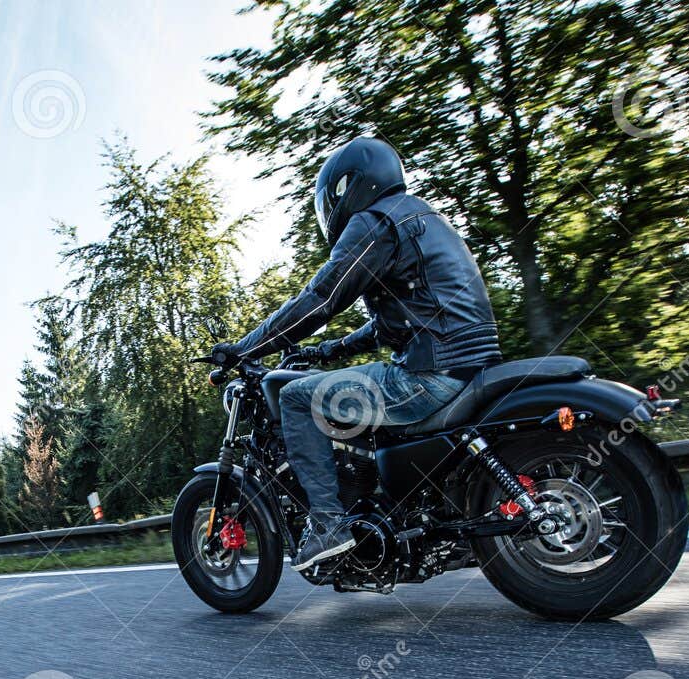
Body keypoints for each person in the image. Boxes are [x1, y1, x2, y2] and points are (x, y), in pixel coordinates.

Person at [211, 137, 502, 571]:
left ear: (349, 187)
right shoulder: (422, 216)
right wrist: (323, 352)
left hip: (430, 373)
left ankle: (328, 524)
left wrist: (245, 348)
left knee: (296, 398)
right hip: (469, 365)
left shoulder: (374, 222)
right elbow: (389, 326)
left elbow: (321, 298)